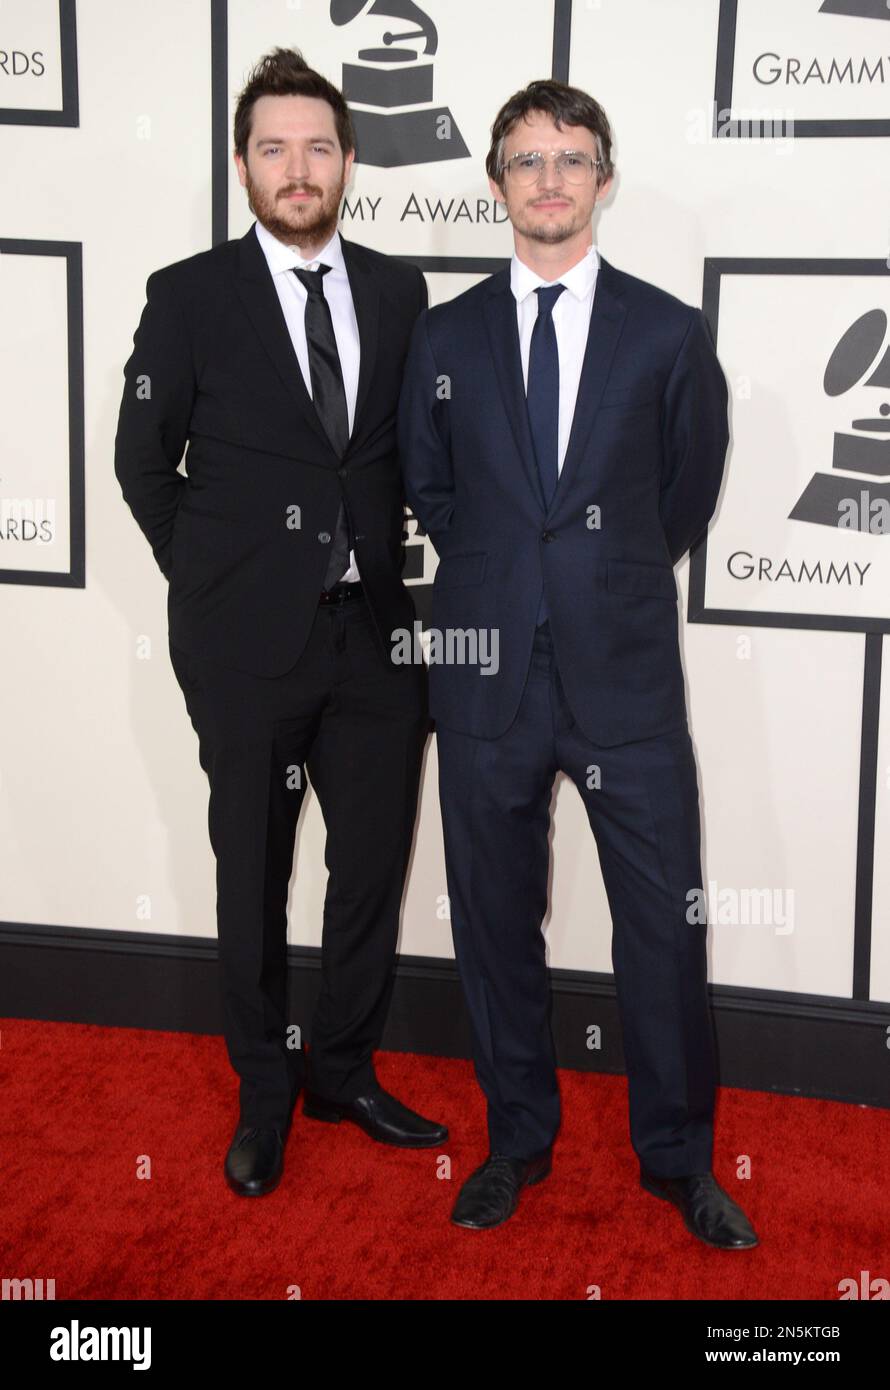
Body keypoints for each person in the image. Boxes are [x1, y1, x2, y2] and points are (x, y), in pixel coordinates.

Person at [398, 78, 757, 1248]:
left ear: (602, 179)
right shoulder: (442, 336)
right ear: (496, 182)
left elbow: (681, 491)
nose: (547, 181)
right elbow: (430, 485)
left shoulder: (665, 332)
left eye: (570, 159)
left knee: (663, 928)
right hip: (484, 670)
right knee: (495, 923)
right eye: (524, 161)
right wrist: (510, 575)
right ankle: (515, 1139)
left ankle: (676, 1158)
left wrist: (593, 580)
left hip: (625, 681)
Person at [115, 47, 445, 1198]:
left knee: (367, 870)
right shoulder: (188, 294)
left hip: (375, 639)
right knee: (249, 873)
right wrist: (214, 581)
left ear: (349, 160)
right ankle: (265, 1092)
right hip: (246, 645)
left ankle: (342, 1068)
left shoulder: (400, 292)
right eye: (273, 149)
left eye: (316, 147)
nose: (296, 169)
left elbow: (411, 457)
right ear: (243, 165)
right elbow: (141, 463)